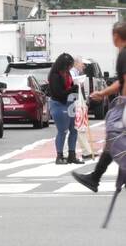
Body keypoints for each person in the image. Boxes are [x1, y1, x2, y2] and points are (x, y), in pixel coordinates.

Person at [73, 22, 126, 192]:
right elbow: (120, 82)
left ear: (116, 36)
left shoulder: (124, 54)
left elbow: (124, 81)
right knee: (114, 139)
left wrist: (123, 100)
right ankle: (95, 177)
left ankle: (95, 177)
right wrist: (103, 94)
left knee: (114, 136)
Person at [47, 53, 82, 165]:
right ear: (64, 64)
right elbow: (58, 93)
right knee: (63, 131)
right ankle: (59, 156)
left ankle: (72, 155)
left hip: (70, 103)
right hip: (59, 104)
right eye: (69, 65)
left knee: (74, 130)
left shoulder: (67, 74)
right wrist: (72, 89)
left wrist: (76, 88)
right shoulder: (55, 75)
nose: (71, 67)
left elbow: (70, 87)